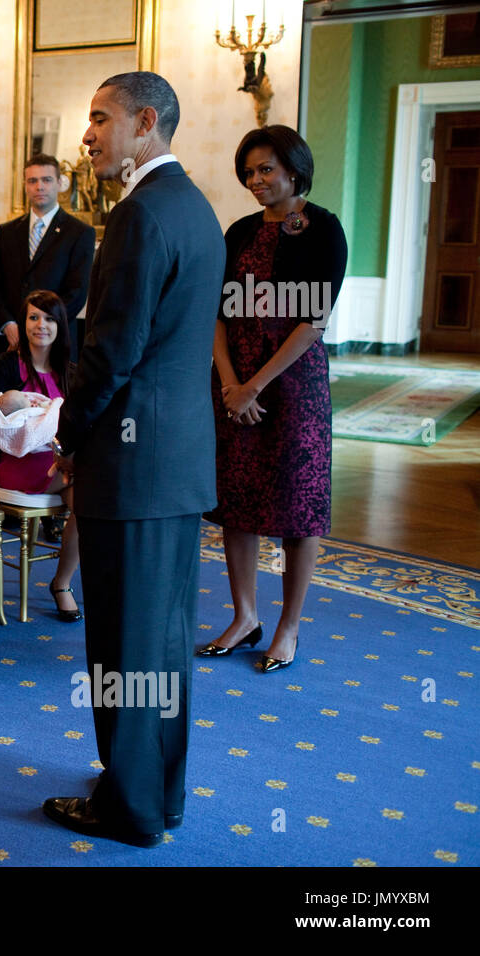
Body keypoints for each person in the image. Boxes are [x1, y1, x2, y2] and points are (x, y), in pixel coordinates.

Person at [42, 72, 226, 848]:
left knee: (124, 645)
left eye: (99, 119)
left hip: (134, 464)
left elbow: (111, 353)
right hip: (175, 464)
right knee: (162, 644)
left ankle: (131, 809)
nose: (87, 135)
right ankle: (158, 791)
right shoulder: (196, 207)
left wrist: (67, 435)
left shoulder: (139, 216)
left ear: (145, 123)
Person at [198, 125, 347, 672]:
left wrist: (254, 385)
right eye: (249, 171)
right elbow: (214, 313)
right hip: (236, 385)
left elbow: (312, 320)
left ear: (293, 170)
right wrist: (230, 383)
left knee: (296, 509)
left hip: (293, 387)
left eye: (266, 169)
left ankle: (287, 627)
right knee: (238, 503)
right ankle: (244, 616)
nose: (255, 180)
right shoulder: (237, 231)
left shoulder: (322, 228)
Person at [0, 290, 82, 622]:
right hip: (15, 466)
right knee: (89, 487)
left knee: (88, 499)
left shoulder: (71, 372)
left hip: (60, 466)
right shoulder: (8, 365)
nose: (41, 325)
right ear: (23, 324)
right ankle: (65, 584)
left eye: (50, 318)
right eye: (34, 317)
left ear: (61, 325)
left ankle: (61, 582)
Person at [0, 154, 95, 359]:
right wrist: (8, 324)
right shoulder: (6, 231)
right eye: (32, 181)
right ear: (25, 185)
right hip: (10, 343)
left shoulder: (80, 232)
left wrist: (41, 327)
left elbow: (77, 291)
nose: (39, 186)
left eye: (47, 180)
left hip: (56, 343)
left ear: (60, 183)